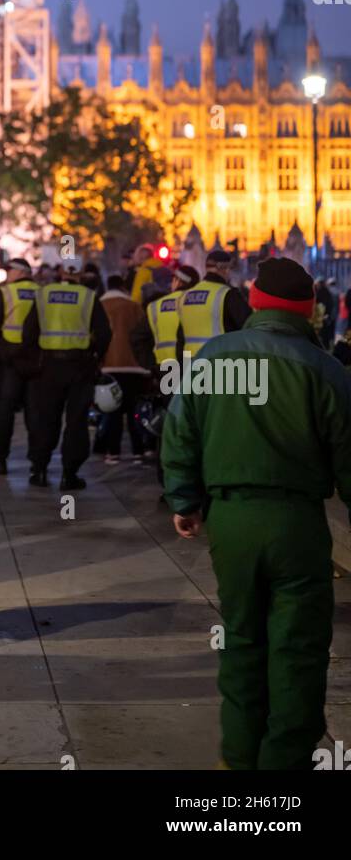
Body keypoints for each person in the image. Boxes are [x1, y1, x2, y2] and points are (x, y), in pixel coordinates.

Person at [162, 257, 351, 771]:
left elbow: (180, 432)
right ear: (307, 312)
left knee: (243, 638)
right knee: (299, 647)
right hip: (297, 523)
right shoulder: (325, 369)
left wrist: (184, 500)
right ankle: (284, 764)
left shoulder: (212, 357)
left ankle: (240, 758)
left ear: (256, 301)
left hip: (231, 521)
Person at [22, 258, 111, 489]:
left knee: (46, 419)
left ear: (60, 271)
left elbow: (28, 332)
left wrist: (35, 360)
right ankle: (69, 474)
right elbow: (103, 333)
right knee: (76, 422)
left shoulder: (43, 294)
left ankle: (39, 470)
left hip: (49, 367)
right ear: (81, 273)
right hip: (79, 367)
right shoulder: (88, 297)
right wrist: (94, 356)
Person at [0, 258, 38, 474]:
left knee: (4, 411)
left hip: (9, 361)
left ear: (22, 272)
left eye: (10, 270)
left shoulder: (4, 293)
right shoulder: (43, 292)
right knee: (35, 412)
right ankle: (37, 462)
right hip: (35, 361)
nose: (7, 274)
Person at [93, 275, 150, 464]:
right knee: (134, 411)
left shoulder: (99, 304)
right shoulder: (133, 306)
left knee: (112, 411)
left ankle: (113, 452)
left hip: (109, 366)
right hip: (133, 366)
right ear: (124, 287)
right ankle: (138, 452)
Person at [176, 248, 250, 362]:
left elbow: (180, 338)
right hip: (220, 362)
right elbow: (248, 326)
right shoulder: (228, 294)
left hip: (191, 364)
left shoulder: (185, 296)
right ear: (224, 269)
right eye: (229, 268)